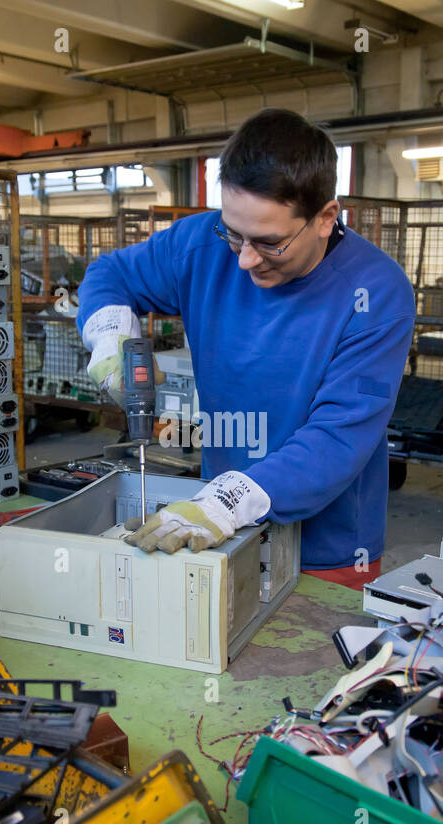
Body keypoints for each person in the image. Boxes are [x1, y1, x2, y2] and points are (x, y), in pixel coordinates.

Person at [77, 108, 415, 588]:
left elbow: (339, 437)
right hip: (218, 527)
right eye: (233, 233)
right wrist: (110, 335)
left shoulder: (375, 293)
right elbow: (110, 274)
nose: (244, 260)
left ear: (324, 218)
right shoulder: (200, 243)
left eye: (269, 242)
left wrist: (226, 503)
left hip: (327, 546)